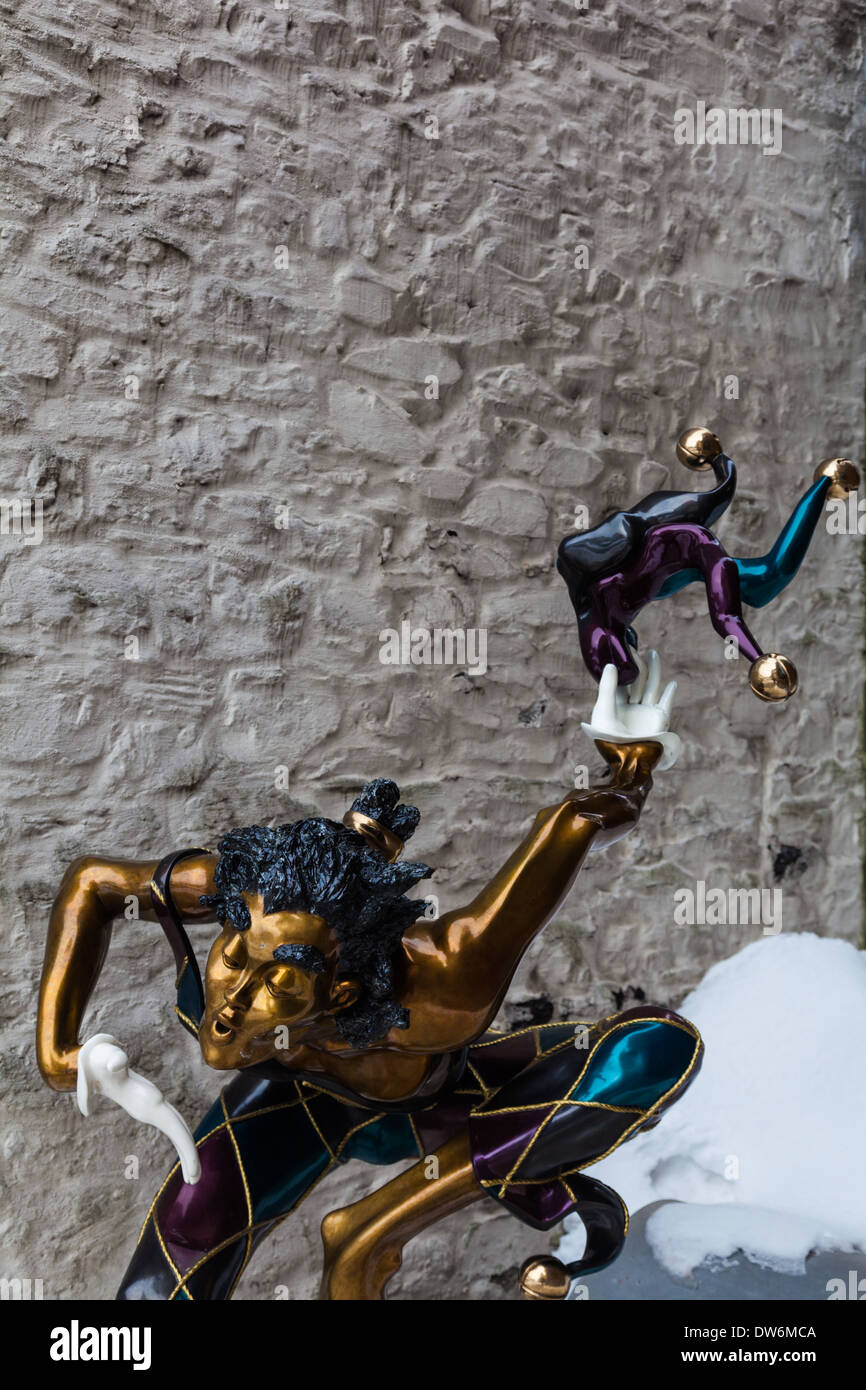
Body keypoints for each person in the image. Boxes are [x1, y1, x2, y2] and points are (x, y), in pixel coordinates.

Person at [37, 655, 702, 1301]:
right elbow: (93, 885)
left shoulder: (446, 976)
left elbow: (576, 820)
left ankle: (367, 1234)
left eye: (281, 985)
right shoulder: (246, 888)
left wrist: (632, 765)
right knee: (168, 1273)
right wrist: (59, 1053)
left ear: (345, 991)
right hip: (298, 1101)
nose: (229, 1007)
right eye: (236, 956)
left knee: (656, 1049)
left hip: (443, 1102)